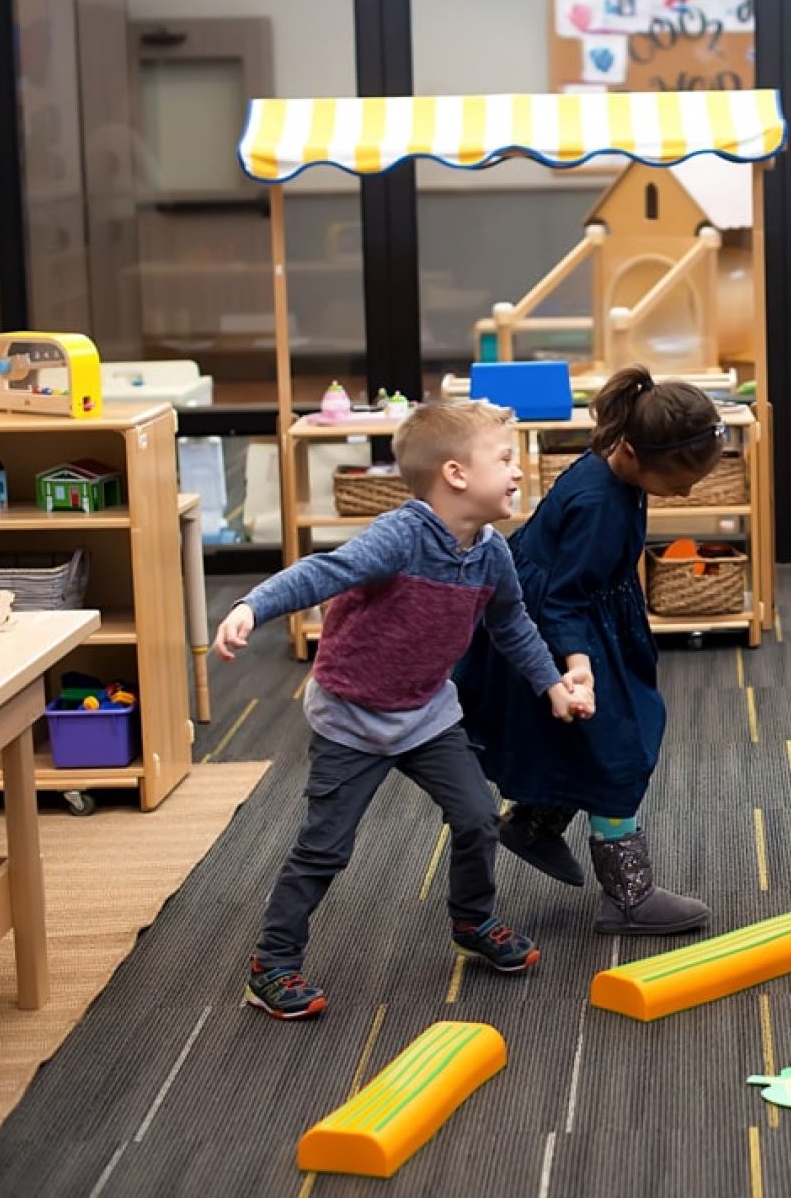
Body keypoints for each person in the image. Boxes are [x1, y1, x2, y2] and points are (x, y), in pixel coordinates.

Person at [214, 400, 591, 1019]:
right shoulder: (402, 537)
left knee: (476, 818)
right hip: (352, 718)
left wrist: (550, 684)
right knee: (325, 846)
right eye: (504, 459)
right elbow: (325, 572)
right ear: (455, 474)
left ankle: (471, 921)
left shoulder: (491, 553)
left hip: (426, 713)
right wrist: (253, 606)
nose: (518, 470)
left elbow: (511, 624)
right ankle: (272, 965)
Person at [457, 367, 722, 935]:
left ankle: (535, 824)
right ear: (633, 453)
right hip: (562, 629)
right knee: (619, 747)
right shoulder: (599, 504)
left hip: (586, 615)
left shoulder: (614, 466)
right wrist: (578, 665)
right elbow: (560, 600)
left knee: (591, 738)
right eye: (678, 482)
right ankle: (628, 896)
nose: (685, 492)